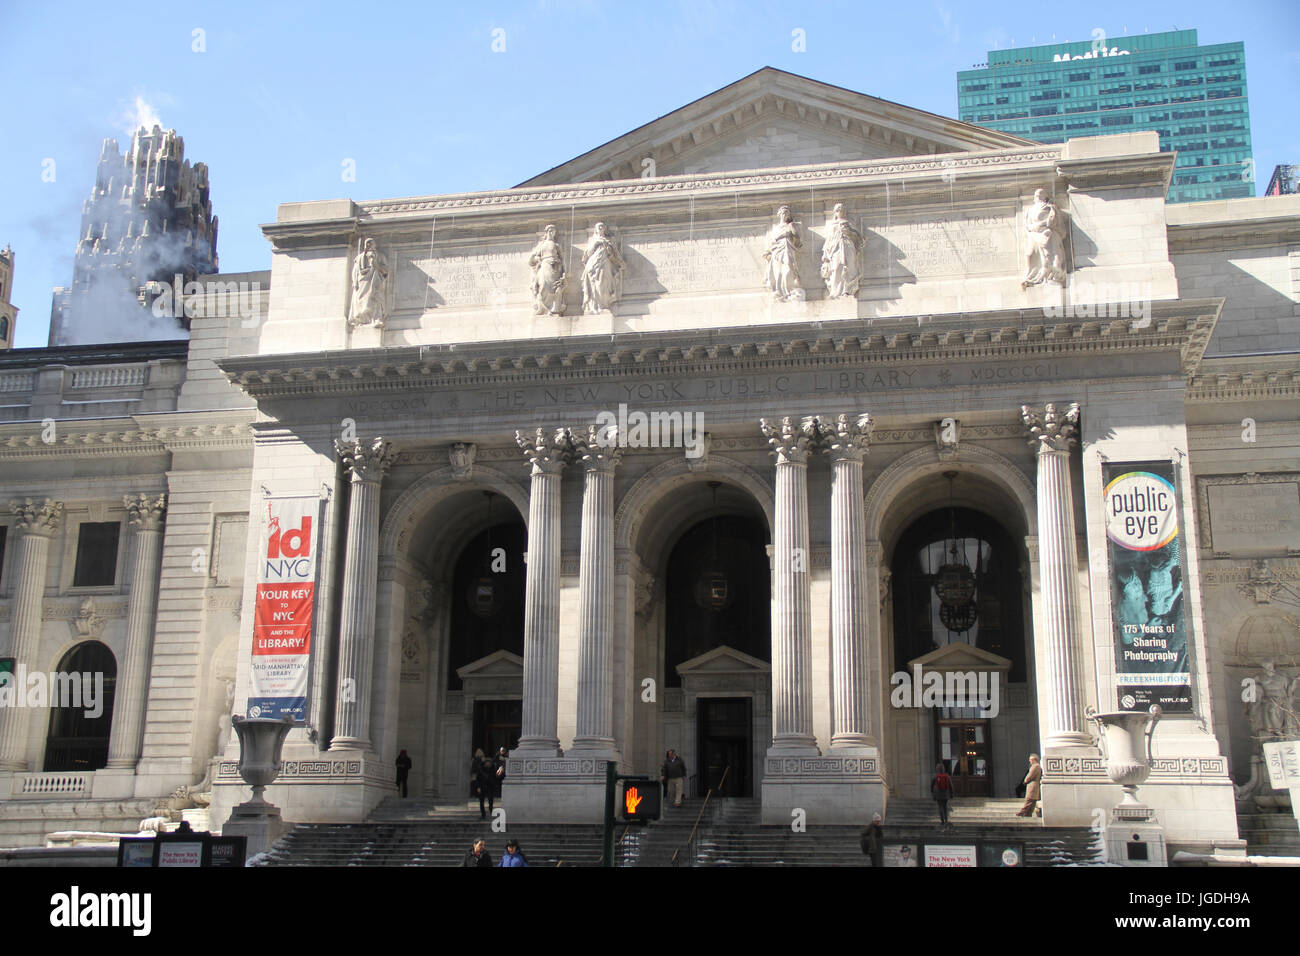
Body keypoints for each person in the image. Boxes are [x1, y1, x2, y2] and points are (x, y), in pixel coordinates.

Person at [930, 761, 954, 826]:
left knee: (940, 806)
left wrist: (932, 793)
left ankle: (942, 820)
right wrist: (951, 793)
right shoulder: (947, 776)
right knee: (945, 806)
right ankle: (946, 819)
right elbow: (951, 786)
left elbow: (932, 785)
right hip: (945, 794)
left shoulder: (936, 777)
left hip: (938, 794)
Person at [475, 753, 497, 820]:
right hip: (482, 787)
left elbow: (495, 779)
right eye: (486, 763)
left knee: (490, 801)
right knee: (481, 802)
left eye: (489, 763)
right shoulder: (481, 770)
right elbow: (478, 779)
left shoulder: (493, 770)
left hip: (490, 787)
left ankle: (491, 812)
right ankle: (483, 814)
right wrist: (478, 787)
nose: (488, 764)